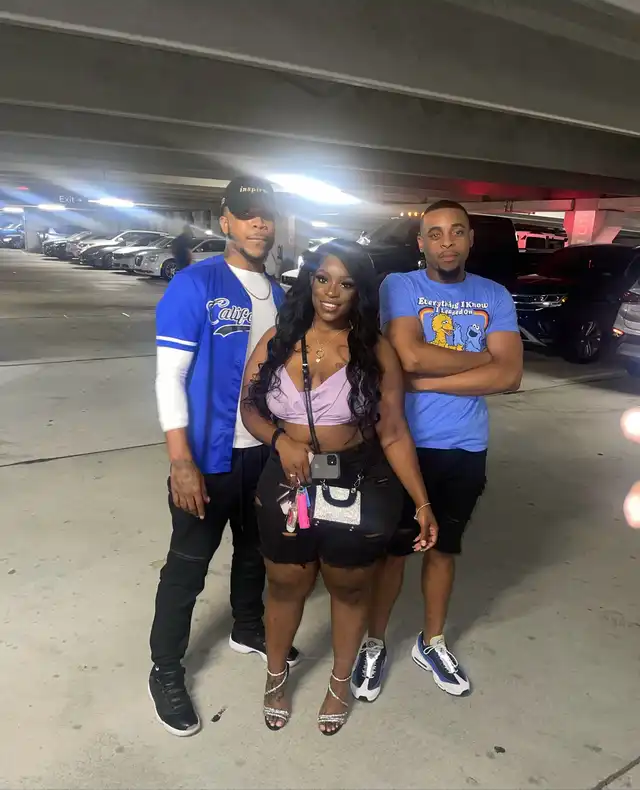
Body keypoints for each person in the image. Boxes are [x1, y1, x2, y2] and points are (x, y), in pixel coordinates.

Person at [240, 240, 438, 735]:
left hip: (357, 480)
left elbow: (394, 433)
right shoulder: (278, 339)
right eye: (323, 279)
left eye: (346, 283)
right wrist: (280, 440)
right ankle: (275, 676)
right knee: (285, 583)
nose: (332, 292)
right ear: (309, 282)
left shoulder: (376, 351)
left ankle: (339, 683)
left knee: (349, 588)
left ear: (360, 292)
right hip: (288, 480)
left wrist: (422, 503)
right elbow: (248, 406)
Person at [350, 200, 523, 702]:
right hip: (405, 443)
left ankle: (432, 641)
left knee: (445, 549)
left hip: (466, 446)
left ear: (471, 239)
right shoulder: (400, 286)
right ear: (421, 242)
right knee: (393, 552)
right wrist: (483, 359)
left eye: (457, 232)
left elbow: (510, 374)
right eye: (436, 234)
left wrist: (425, 380)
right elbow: (407, 354)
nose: (447, 242)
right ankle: (374, 643)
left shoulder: (493, 294)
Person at [148, 177, 299, 737]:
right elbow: (170, 376)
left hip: (262, 454)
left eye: (266, 214)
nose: (259, 223)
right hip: (207, 457)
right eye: (247, 213)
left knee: (255, 549)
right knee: (187, 566)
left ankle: (247, 626)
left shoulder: (281, 296)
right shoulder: (196, 284)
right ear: (226, 221)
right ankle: (165, 668)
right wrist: (180, 460)